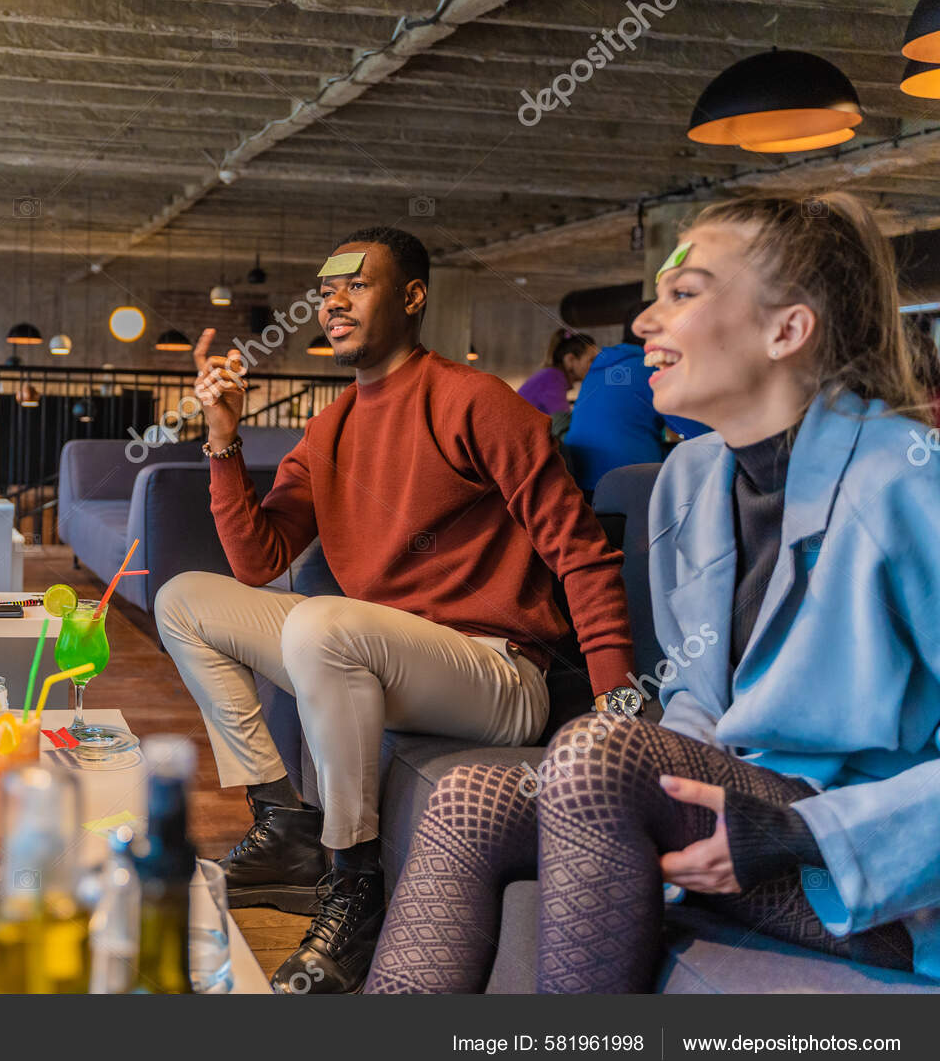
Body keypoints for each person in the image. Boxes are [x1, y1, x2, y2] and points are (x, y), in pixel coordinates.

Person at [366, 192, 940, 994]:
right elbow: (700, 703)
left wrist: (799, 831)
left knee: (599, 747)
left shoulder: (905, 478)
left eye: (684, 293)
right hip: (734, 812)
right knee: (470, 798)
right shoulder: (690, 480)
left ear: (787, 329)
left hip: (867, 868)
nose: (642, 322)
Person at [155, 227, 639, 994]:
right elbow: (259, 559)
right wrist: (222, 441)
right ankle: (285, 823)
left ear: (412, 296)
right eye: (325, 288)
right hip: (383, 657)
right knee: (182, 598)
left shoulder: (476, 401)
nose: (333, 300)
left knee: (321, 621)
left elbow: (579, 546)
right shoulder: (332, 424)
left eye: (357, 283)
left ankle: (354, 882)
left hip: (497, 674)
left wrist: (618, 698)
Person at [562, 315, 708, 497]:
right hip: (626, 487)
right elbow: (699, 432)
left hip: (579, 482)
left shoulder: (599, 367)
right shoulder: (650, 368)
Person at [517, 329, 597, 416]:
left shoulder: (552, 376)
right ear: (570, 360)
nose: (597, 365)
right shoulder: (552, 379)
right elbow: (563, 424)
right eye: (592, 360)